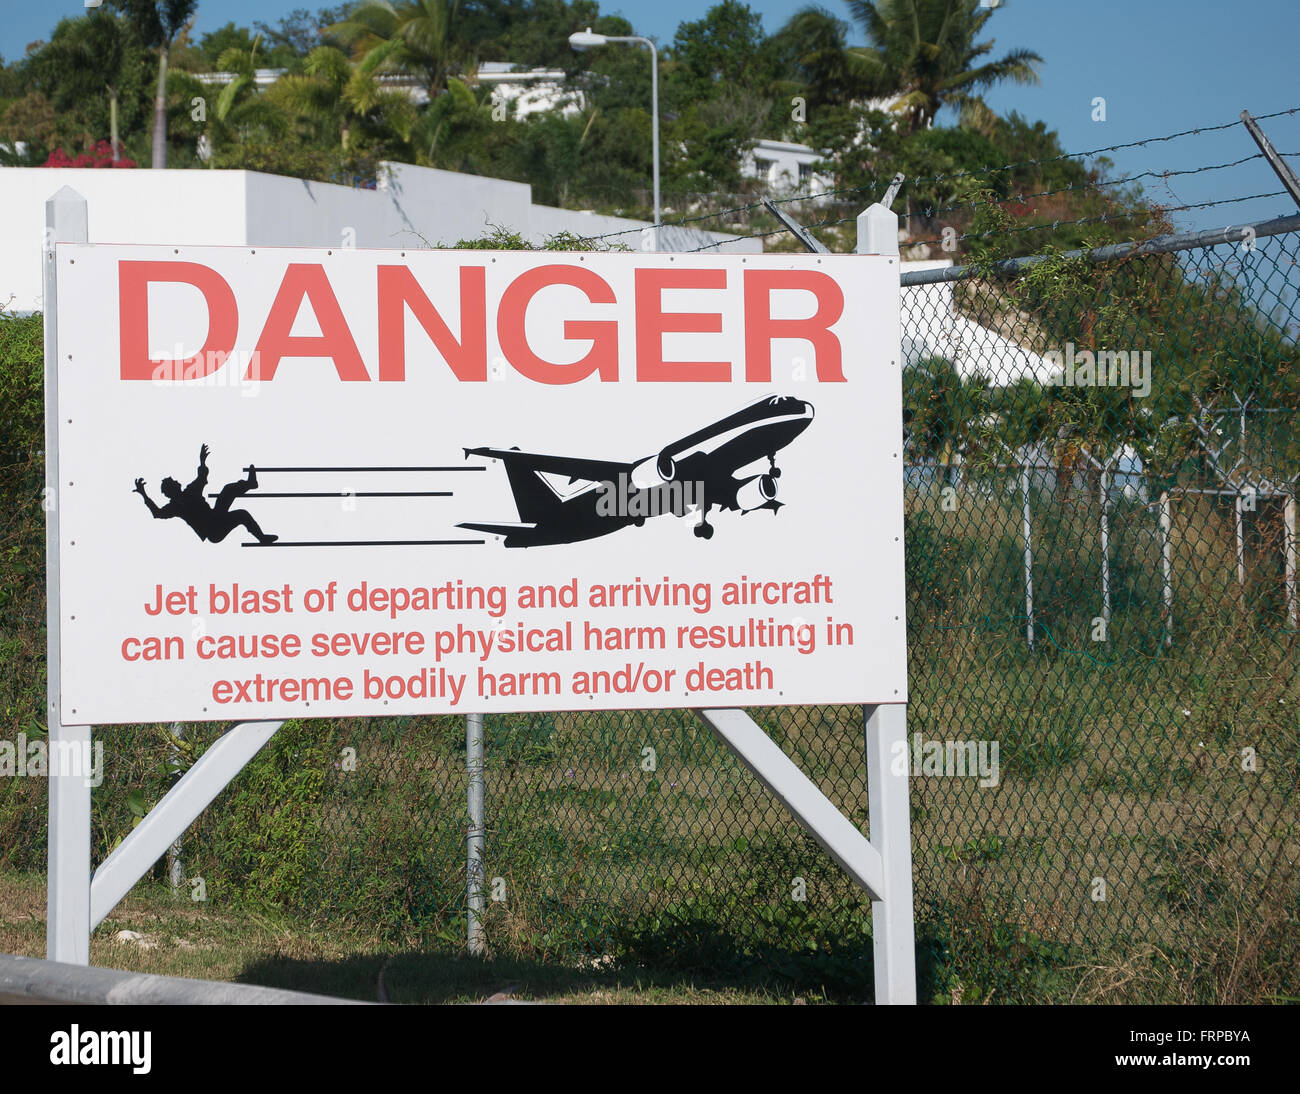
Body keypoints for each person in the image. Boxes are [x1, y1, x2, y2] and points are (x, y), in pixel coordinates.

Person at [134, 444, 278, 545]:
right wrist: (144, 494)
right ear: (171, 489)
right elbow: (157, 513)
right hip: (214, 531)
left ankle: (250, 484)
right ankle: (262, 538)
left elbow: (202, 476)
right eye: (174, 482)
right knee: (242, 514)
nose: (177, 481)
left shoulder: (190, 491)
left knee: (227, 490)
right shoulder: (175, 506)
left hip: (216, 516)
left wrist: (202, 461)